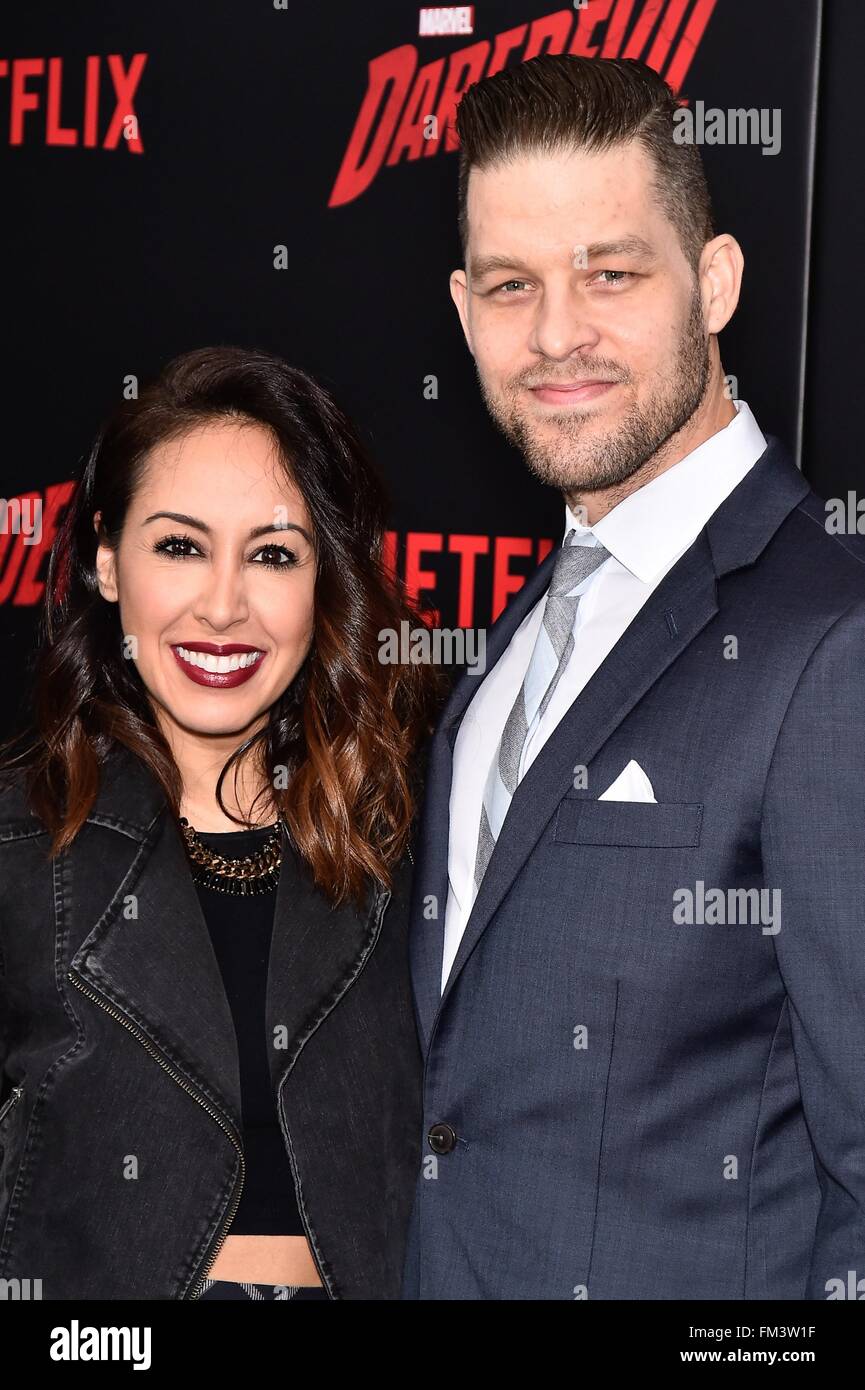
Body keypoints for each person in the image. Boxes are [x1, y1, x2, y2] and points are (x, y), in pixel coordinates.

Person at [403, 54, 865, 1300]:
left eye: (610, 272)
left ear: (711, 283)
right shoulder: (510, 644)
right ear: (462, 310)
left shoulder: (832, 639)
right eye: (512, 286)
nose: (557, 334)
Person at [0, 345, 441, 1299]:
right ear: (107, 563)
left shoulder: (411, 838)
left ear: (325, 583)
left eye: (273, 554)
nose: (224, 606)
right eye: (180, 546)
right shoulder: (17, 850)